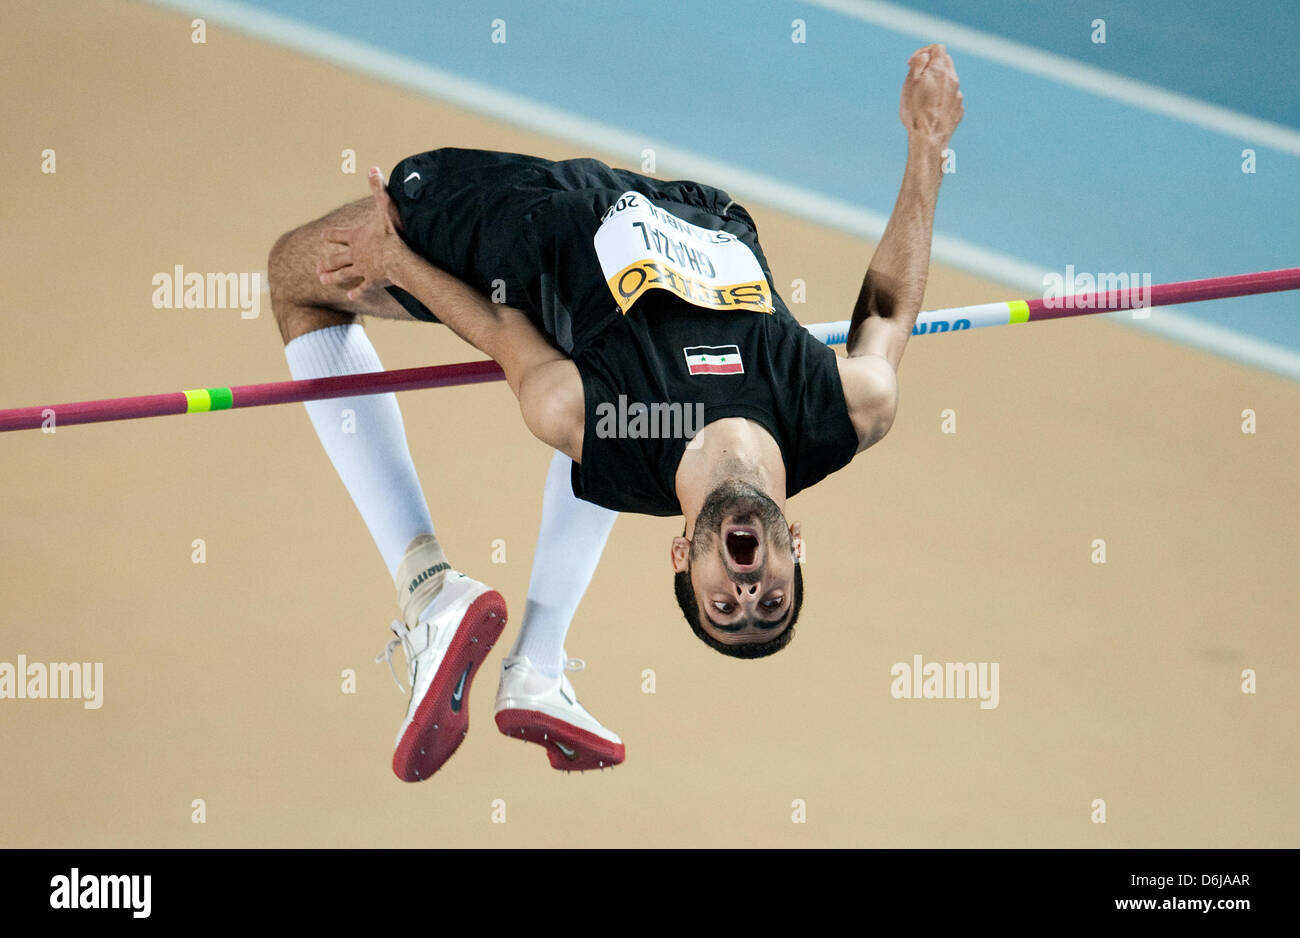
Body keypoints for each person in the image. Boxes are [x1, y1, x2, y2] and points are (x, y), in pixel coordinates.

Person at [271, 43, 963, 781]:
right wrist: (927, 143)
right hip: (700, 209)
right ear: (793, 545)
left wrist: (397, 260)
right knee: (604, 449)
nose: (748, 591)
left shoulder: (596, 421)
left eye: (724, 607)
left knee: (296, 276)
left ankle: (429, 590)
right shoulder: (842, 410)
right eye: (772, 601)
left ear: (683, 556)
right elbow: (886, 310)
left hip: (531, 217)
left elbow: (503, 328)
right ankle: (536, 665)